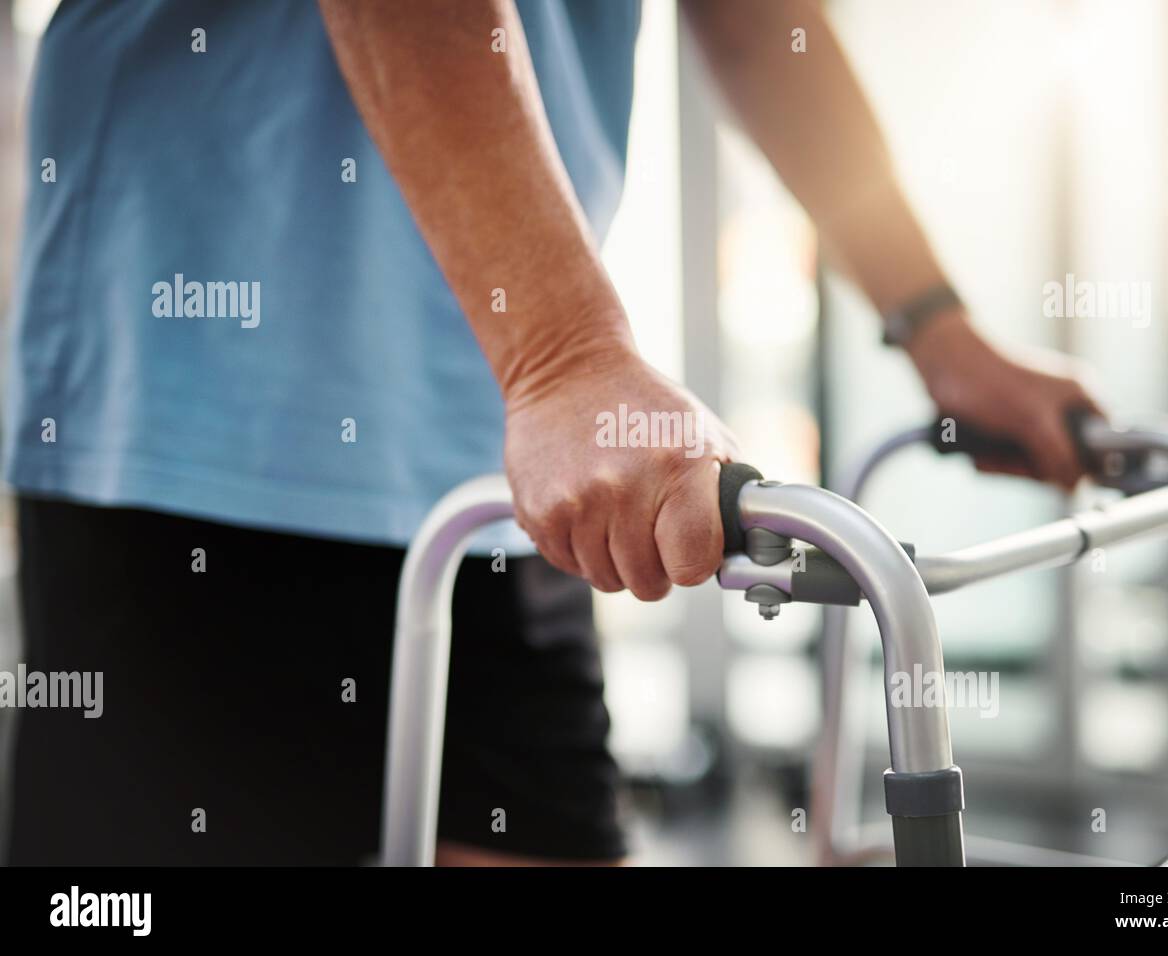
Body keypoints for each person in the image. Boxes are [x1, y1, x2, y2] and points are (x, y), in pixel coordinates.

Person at [2, 0, 1099, 866]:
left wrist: (936, 330)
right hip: (209, 402)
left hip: (492, 442)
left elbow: (761, 21)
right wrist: (565, 354)